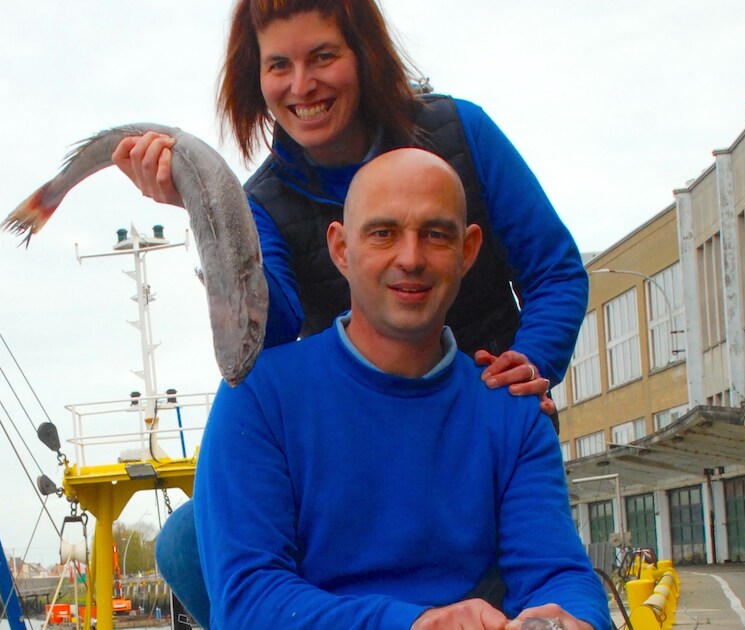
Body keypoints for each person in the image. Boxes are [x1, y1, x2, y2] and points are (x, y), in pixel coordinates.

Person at [113, 0, 590, 623]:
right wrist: (214, 218)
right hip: (356, 436)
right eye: (278, 64)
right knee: (189, 538)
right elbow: (269, 336)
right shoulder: (260, 202)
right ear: (341, 245)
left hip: (476, 413)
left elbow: (555, 270)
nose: (302, 85)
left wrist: (529, 364)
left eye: (323, 56)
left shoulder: (460, 133)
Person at [193, 147, 606, 629]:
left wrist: (573, 621)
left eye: (435, 235)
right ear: (341, 249)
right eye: (384, 233)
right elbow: (248, 600)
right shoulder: (259, 397)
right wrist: (415, 623)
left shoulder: (513, 410)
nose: (410, 259)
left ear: (468, 250)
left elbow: (558, 573)